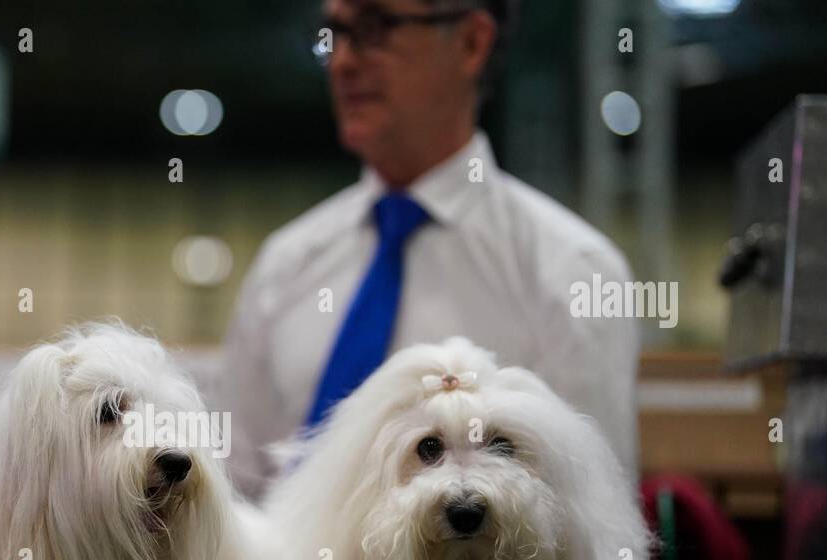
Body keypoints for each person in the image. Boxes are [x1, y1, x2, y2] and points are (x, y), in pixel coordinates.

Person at [222, 0, 639, 501]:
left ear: (471, 43)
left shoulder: (573, 272)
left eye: (376, 28)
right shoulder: (285, 265)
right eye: (334, 32)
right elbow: (234, 492)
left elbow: (596, 535)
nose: (343, 61)